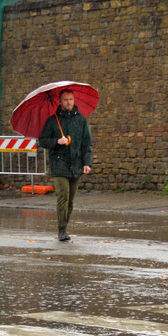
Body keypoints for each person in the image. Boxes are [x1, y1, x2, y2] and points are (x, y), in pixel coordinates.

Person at [37, 89, 93, 241]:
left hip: (76, 164)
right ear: (60, 102)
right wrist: (57, 141)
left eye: (71, 99)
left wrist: (87, 163)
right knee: (63, 197)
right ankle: (62, 230)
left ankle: (65, 226)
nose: (69, 102)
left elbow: (87, 143)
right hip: (59, 164)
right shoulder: (52, 121)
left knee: (71, 200)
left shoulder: (81, 120)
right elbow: (43, 140)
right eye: (65, 100)